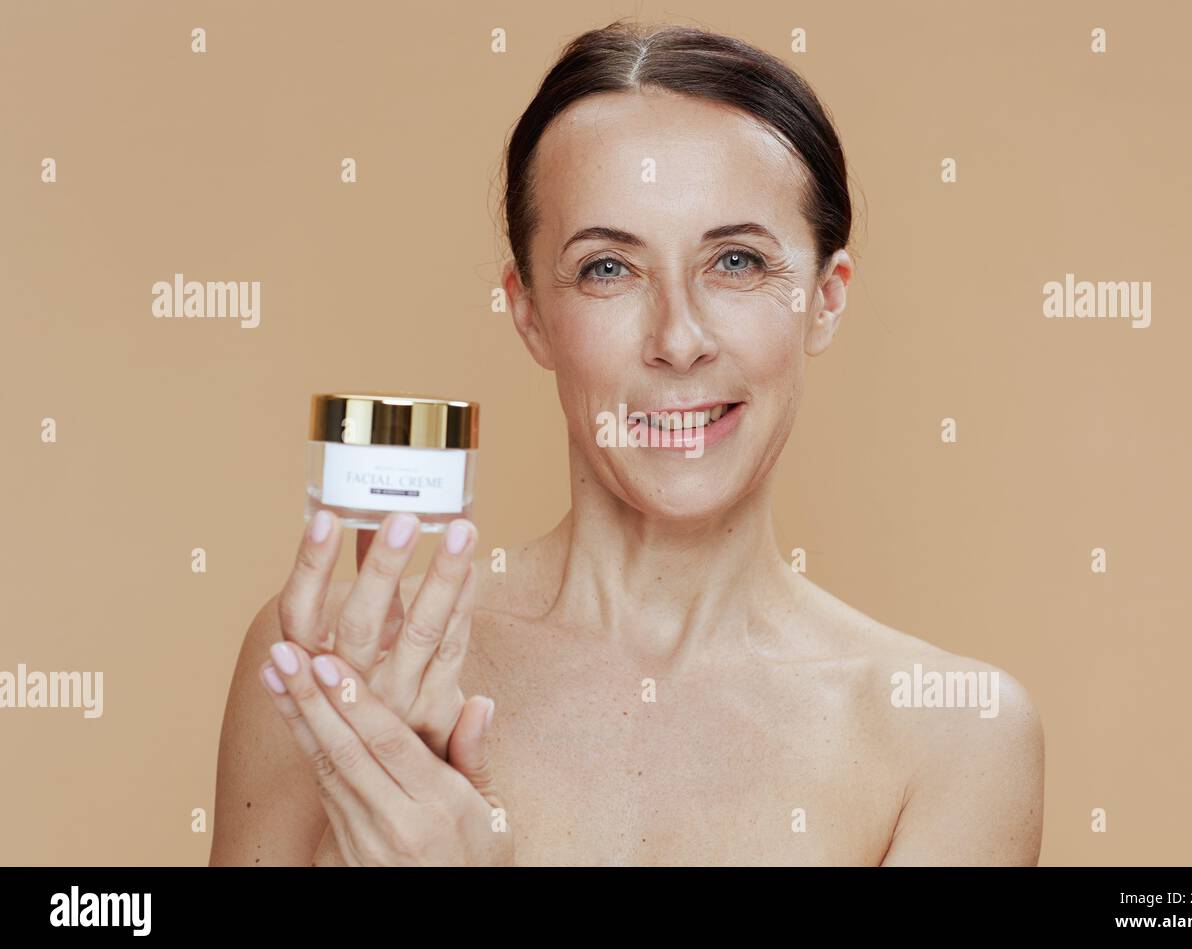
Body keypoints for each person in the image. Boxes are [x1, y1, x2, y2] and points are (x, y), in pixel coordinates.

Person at [209, 19, 1044, 866]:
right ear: (529, 310)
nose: (679, 340)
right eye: (609, 268)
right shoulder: (336, 668)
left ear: (825, 299)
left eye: (738, 263)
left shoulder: (955, 737)